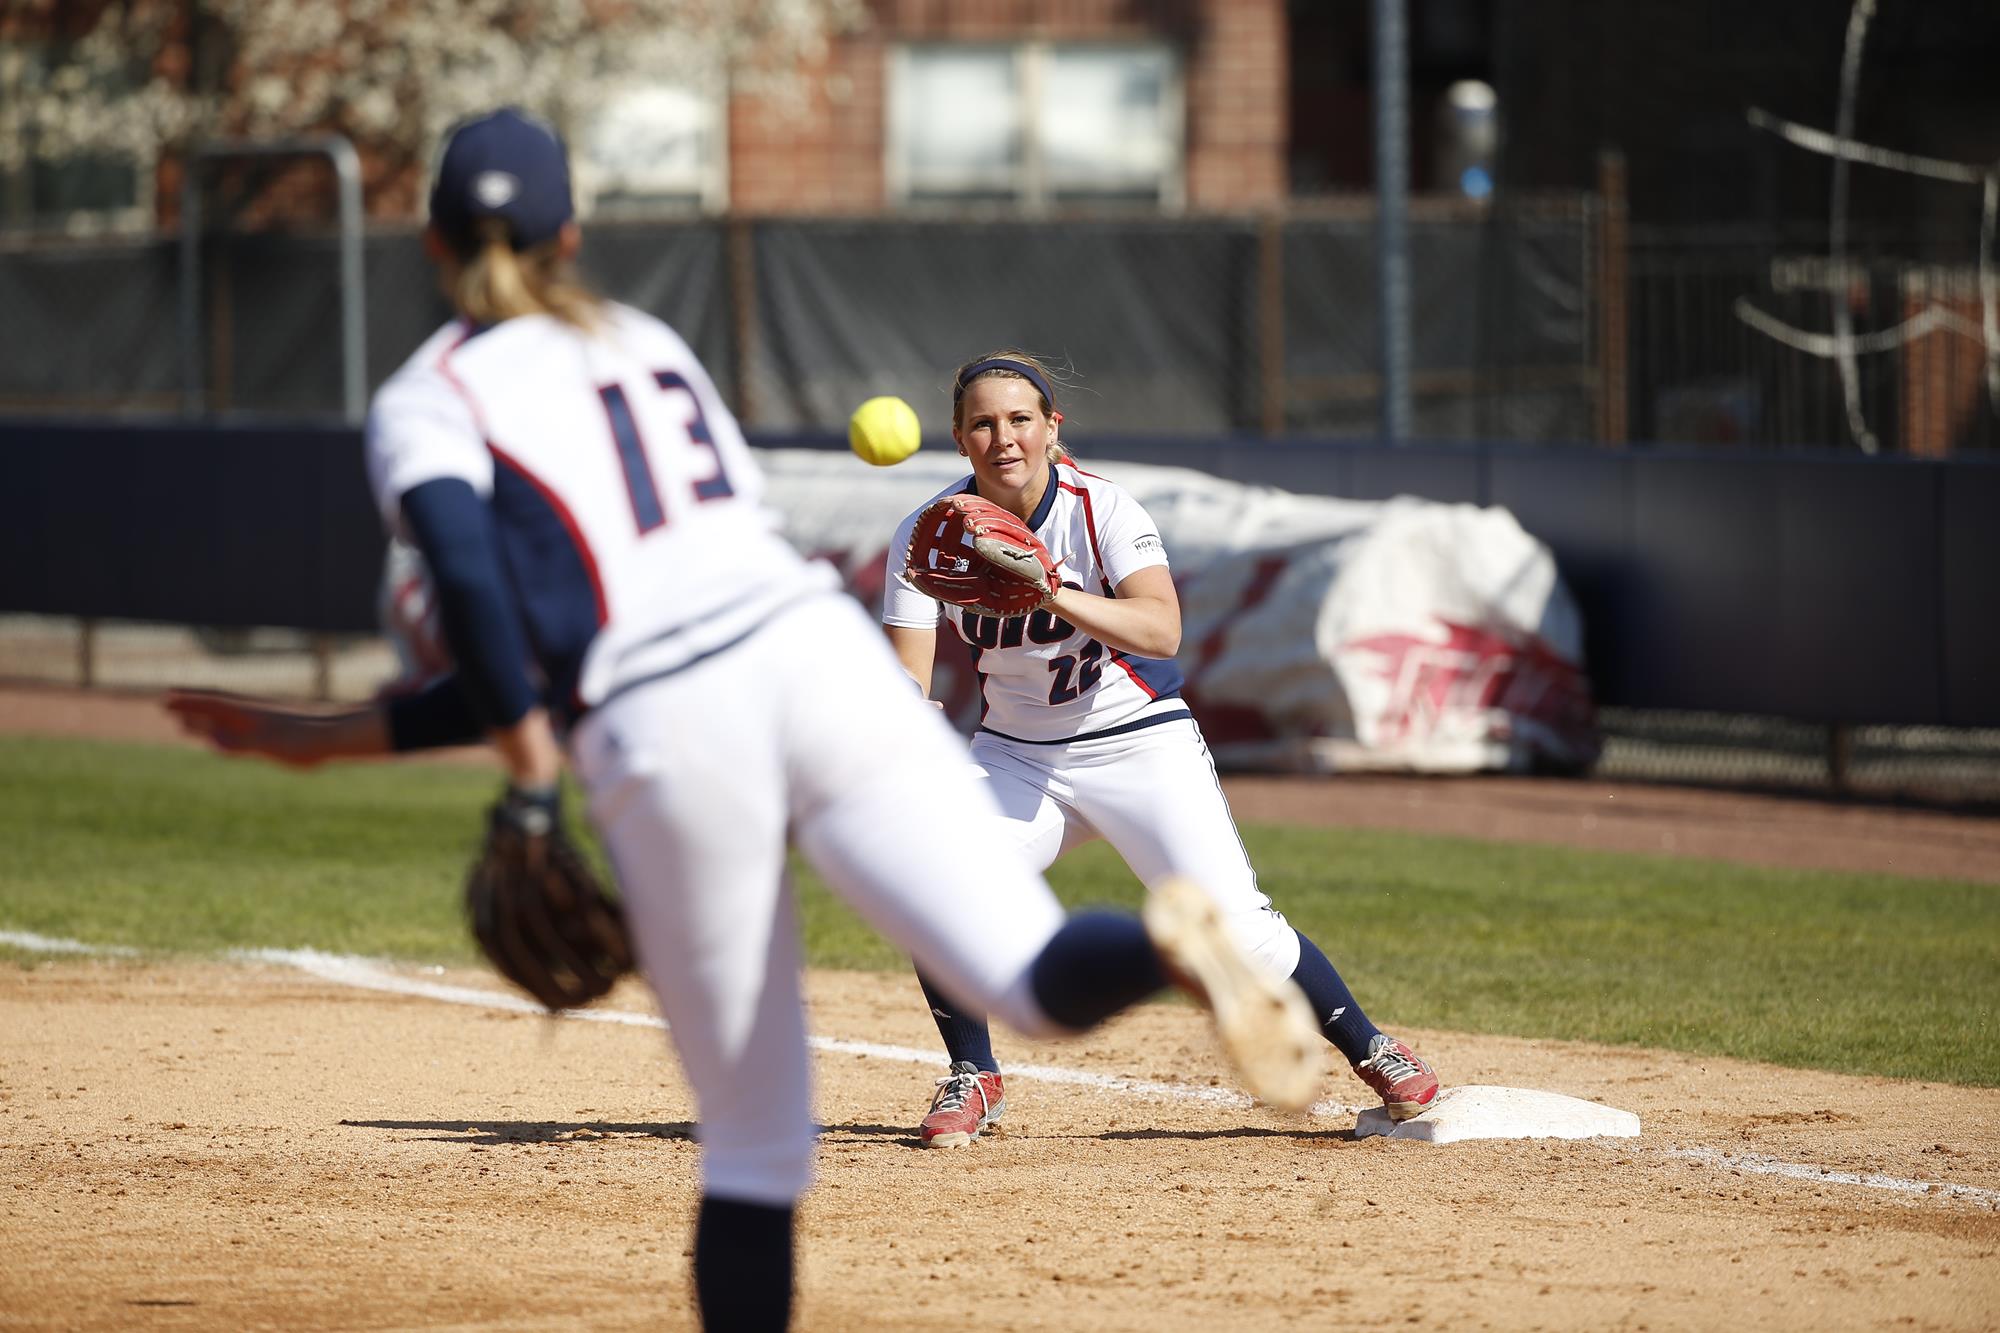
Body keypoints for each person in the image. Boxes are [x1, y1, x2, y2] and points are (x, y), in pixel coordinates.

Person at [165, 109, 1321, 1332]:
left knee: (758, 1149)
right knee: (1030, 976)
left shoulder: (430, 395)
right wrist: (345, 735)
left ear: (430, 241)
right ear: (568, 233)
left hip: (670, 728)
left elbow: (488, 605)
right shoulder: (649, 341)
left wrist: (506, 776)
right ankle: (1161, 946)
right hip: (818, 657)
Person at [883, 351, 1441, 1148]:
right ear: (959, 438)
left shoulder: (1100, 508)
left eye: (1019, 419)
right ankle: (974, 1072)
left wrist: (1049, 589)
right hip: (1016, 752)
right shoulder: (932, 532)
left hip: (1139, 740)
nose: (1003, 437)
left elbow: (1161, 626)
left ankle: (1373, 1049)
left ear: (1050, 428)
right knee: (930, 883)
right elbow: (910, 673)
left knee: (1235, 928)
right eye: (983, 423)